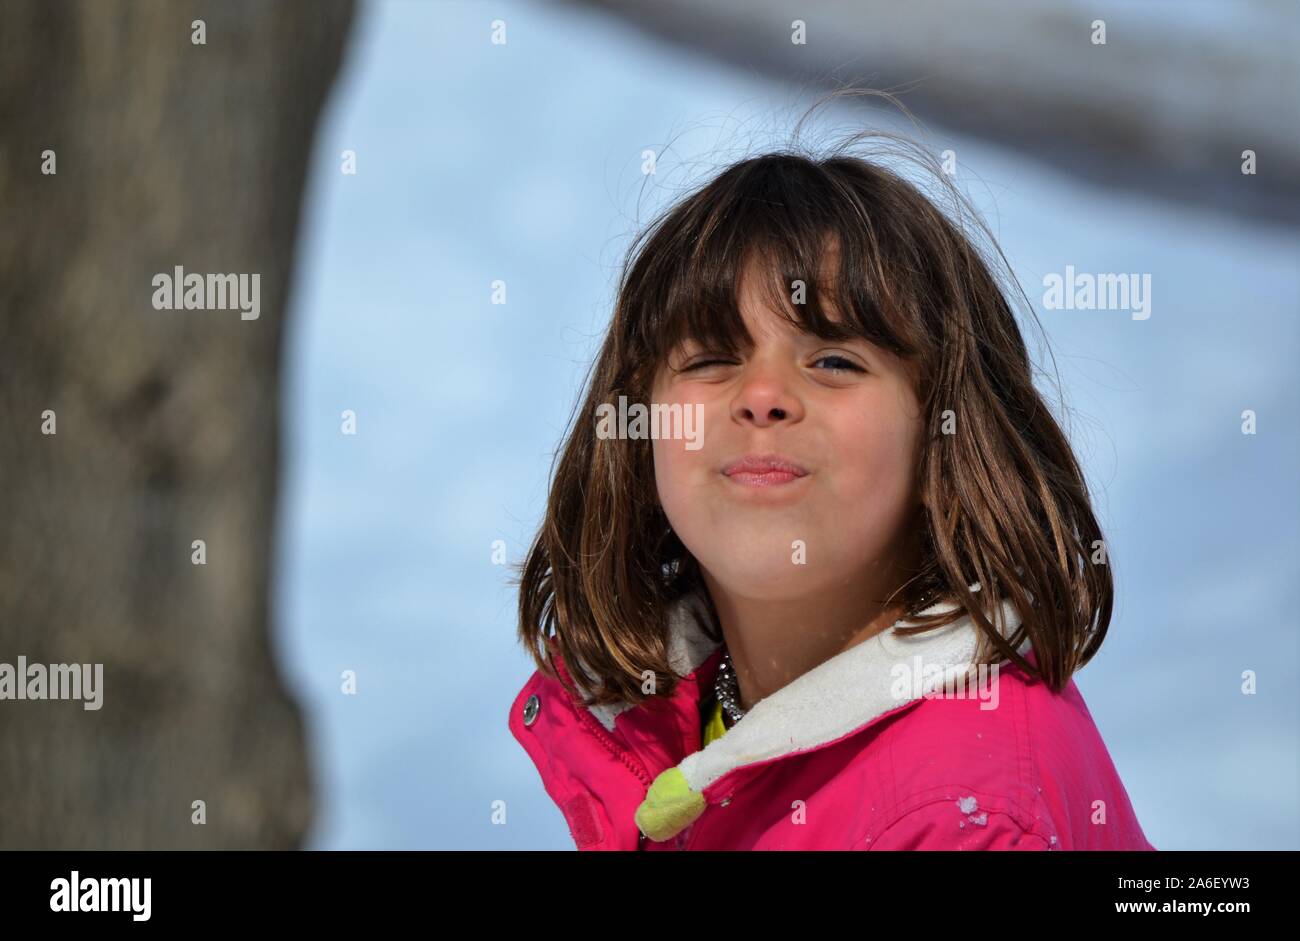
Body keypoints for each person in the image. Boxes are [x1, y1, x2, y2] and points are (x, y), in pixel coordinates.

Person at [508, 110, 1156, 851]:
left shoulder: (962, 814)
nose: (762, 395)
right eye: (711, 358)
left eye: (834, 361)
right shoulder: (678, 719)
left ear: (945, 439)